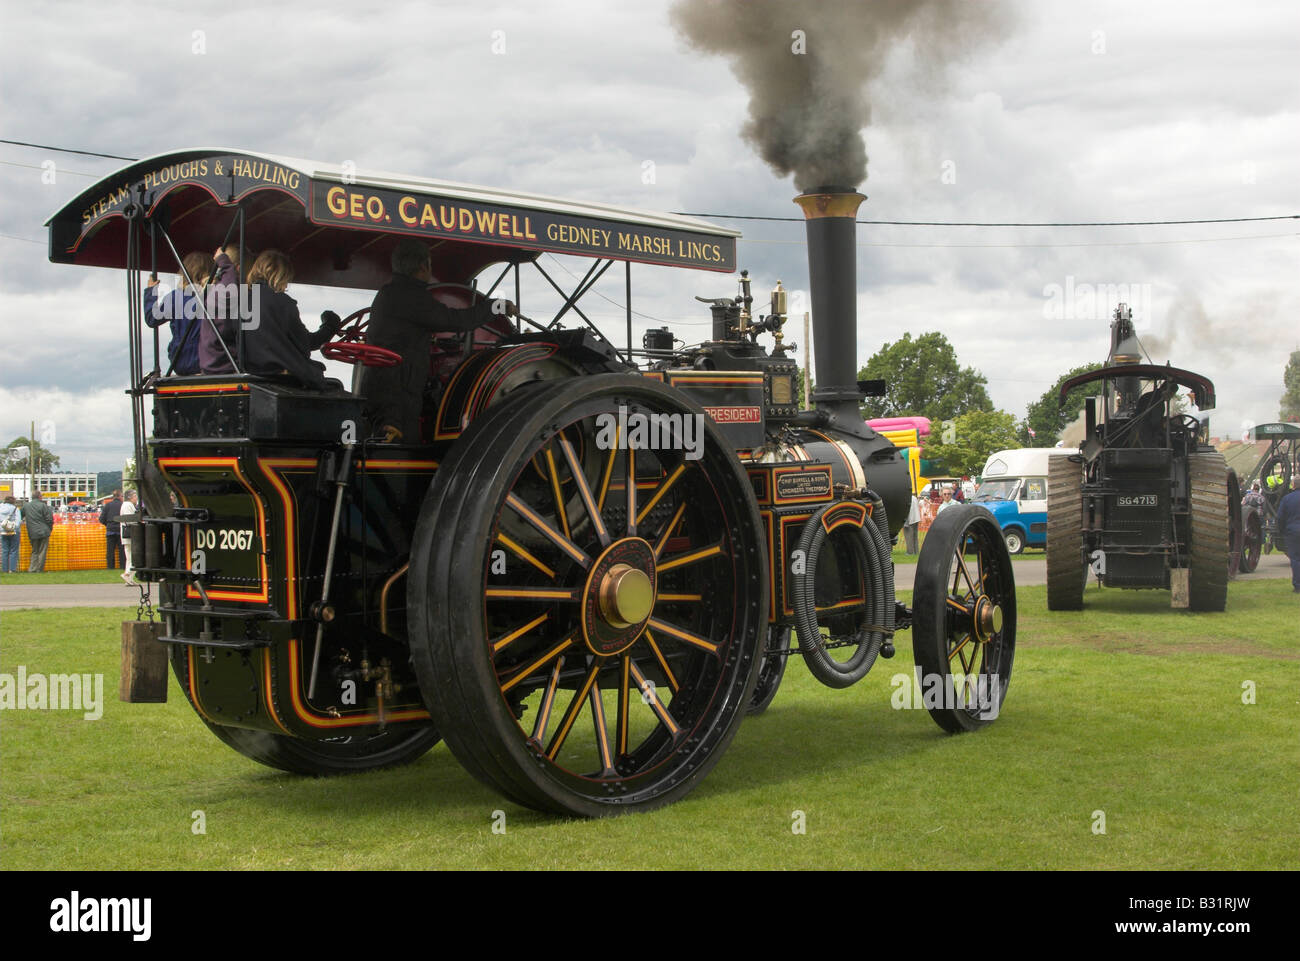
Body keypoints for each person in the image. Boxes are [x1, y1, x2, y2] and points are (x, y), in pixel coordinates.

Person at [357, 238, 516, 443]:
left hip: (380, 388)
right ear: (424, 266)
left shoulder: (387, 293)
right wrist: (497, 307)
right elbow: (456, 320)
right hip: (398, 396)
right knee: (403, 453)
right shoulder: (411, 297)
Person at [239, 250, 342, 388]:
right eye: (287, 280)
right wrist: (330, 325)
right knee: (335, 387)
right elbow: (306, 343)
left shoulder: (241, 300)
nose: (286, 285)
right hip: (280, 379)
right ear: (280, 275)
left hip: (252, 375)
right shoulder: (282, 303)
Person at [144, 251, 215, 375]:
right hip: (206, 359)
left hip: (179, 360)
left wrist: (151, 291)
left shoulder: (175, 297)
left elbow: (152, 318)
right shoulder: (213, 296)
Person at [200, 244, 242, 374]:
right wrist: (226, 264)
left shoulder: (214, 290)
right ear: (239, 269)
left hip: (214, 364)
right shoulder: (221, 292)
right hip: (224, 366)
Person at [1275, 476, 1300, 593]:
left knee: (1295, 558)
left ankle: (1298, 585)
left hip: (1292, 531)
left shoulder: (1287, 499)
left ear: (1293, 485)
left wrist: (1281, 530)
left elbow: (1280, 517)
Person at [23, 490, 53, 573]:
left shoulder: (26, 506)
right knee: (42, 551)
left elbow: (20, 515)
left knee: (35, 551)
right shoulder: (44, 506)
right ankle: (39, 569)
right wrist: (49, 529)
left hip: (32, 532)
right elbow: (49, 519)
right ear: (39, 497)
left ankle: (32, 568)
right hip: (44, 531)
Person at [99, 489, 124, 569]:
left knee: (110, 550)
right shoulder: (123, 505)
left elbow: (101, 519)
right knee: (122, 550)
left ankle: (110, 567)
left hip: (110, 530)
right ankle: (122, 566)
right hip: (121, 530)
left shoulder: (108, 505)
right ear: (120, 496)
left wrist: (108, 524)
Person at [119, 490, 138, 585]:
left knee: (130, 557)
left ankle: (129, 578)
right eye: (135, 496)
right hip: (130, 534)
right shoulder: (127, 505)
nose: (136, 498)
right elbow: (129, 519)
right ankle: (127, 574)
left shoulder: (126, 505)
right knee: (134, 556)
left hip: (128, 535)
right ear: (130, 497)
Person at [0, 495, 21, 573]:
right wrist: (13, 527)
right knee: (13, 550)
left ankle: (4, 569)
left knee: (5, 550)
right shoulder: (15, 509)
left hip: (3, 531)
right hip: (13, 531)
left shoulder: (0, 508)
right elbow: (18, 521)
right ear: (13, 502)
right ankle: (12, 569)